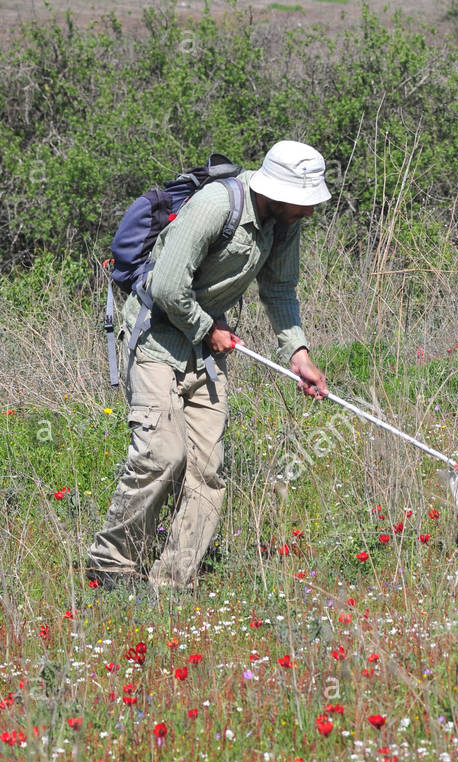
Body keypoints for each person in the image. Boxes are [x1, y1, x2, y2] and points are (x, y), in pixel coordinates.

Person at [86, 140, 331, 590]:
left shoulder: (284, 223)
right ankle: (110, 563)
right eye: (303, 202)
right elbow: (166, 286)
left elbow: (279, 291)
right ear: (276, 192)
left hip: (206, 354)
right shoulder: (216, 204)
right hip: (156, 341)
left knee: (207, 471)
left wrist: (298, 354)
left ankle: (173, 582)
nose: (309, 212)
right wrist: (207, 328)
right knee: (162, 454)